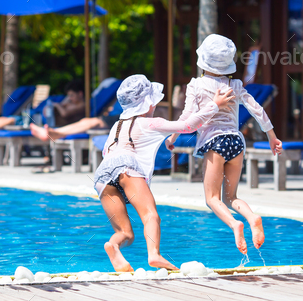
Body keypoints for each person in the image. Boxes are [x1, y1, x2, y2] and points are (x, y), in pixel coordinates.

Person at [95, 74, 233, 272]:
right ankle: (154, 254)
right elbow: (188, 126)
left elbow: (107, 152)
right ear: (147, 103)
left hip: (102, 175)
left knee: (126, 233)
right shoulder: (150, 123)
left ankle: (114, 245)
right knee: (151, 215)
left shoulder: (116, 126)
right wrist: (214, 104)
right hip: (126, 166)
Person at [166, 34, 282, 255]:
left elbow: (186, 118)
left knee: (212, 199)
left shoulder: (196, 85)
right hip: (236, 142)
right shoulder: (235, 84)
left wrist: (171, 138)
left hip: (215, 142)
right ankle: (251, 217)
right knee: (232, 198)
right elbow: (256, 109)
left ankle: (235, 225)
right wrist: (272, 136)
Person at [0, 79, 86, 139]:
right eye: (69, 96)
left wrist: (58, 104)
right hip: (39, 122)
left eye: (72, 96)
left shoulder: (82, 105)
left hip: (47, 126)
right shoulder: (72, 102)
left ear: (80, 94)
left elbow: (65, 113)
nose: (69, 99)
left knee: (6, 120)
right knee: (5, 119)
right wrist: (65, 101)